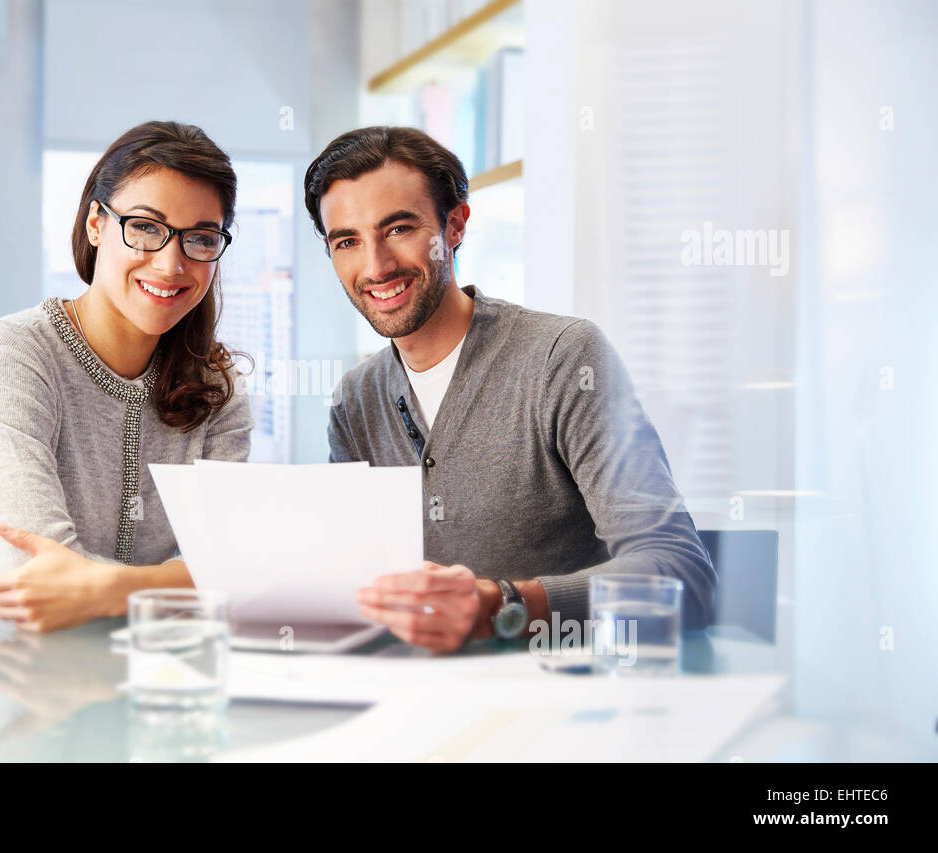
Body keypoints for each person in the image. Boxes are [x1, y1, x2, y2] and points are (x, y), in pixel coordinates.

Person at [305, 126, 717, 653]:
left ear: (454, 225)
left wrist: (501, 607)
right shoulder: (355, 400)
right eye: (347, 241)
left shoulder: (563, 357)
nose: (375, 266)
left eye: (399, 229)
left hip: (563, 702)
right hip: (414, 704)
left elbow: (681, 574)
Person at [0, 121, 252, 660]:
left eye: (200, 237)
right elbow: (37, 578)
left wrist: (105, 591)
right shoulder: (8, 358)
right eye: (145, 227)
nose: (170, 262)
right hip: (29, 696)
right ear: (95, 224)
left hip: (173, 697)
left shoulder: (216, 387)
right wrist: (187, 582)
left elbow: (232, 567)